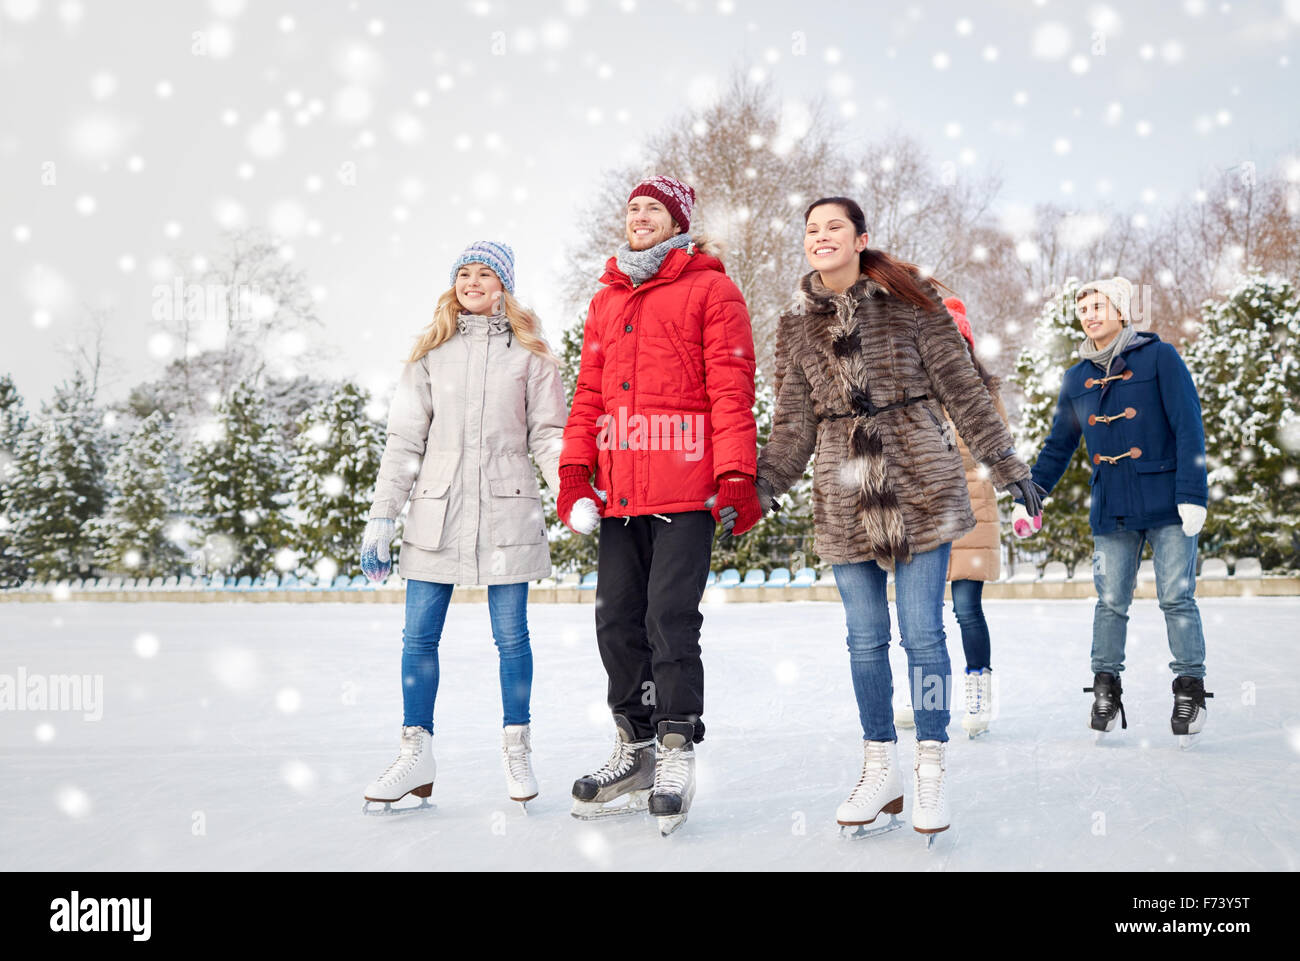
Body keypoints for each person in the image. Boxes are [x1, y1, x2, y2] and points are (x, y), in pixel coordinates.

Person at [750, 197, 1040, 841]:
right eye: (811, 229)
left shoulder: (913, 303)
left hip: (918, 482)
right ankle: (879, 763)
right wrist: (762, 487)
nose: (821, 237)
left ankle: (930, 762)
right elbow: (793, 423)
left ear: (861, 238)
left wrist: (1008, 465)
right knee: (863, 639)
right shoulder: (795, 326)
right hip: (842, 490)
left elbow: (964, 390)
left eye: (834, 227)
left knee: (924, 636)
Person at [556, 175, 759, 835]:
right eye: (633, 208)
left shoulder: (711, 288)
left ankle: (674, 747)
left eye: (653, 209)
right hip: (621, 493)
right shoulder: (606, 299)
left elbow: (731, 386)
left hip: (686, 485)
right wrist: (574, 471)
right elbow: (589, 393)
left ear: (676, 223)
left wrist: (735, 474)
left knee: (669, 617)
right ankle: (634, 748)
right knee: (616, 619)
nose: (639, 216)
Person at [357, 241, 568, 812]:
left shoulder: (533, 357)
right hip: (437, 510)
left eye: (486, 273)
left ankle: (516, 746)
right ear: (454, 285)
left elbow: (548, 435)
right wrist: (383, 514)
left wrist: (570, 490)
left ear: (505, 286)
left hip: (508, 510)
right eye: (464, 274)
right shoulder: (430, 355)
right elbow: (404, 441)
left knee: (512, 638)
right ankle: (415, 753)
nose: (473, 282)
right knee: (418, 638)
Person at [1024, 277, 1211, 744]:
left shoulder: (1159, 357)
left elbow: (1189, 425)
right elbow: (1058, 447)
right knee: (1111, 602)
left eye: (1098, 304)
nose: (1089, 313)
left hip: (1168, 500)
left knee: (1176, 597)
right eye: (1082, 306)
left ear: (1122, 310)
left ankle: (1189, 689)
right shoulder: (1076, 378)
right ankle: (1105, 689)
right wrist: (1031, 494)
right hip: (1113, 504)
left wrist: (1193, 494)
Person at [892, 298, 1009, 739]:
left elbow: (1000, 447)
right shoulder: (907, 388)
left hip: (972, 509)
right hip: (922, 511)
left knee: (965, 607)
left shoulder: (982, 391)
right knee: (921, 614)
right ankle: (924, 694)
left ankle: (978, 686)